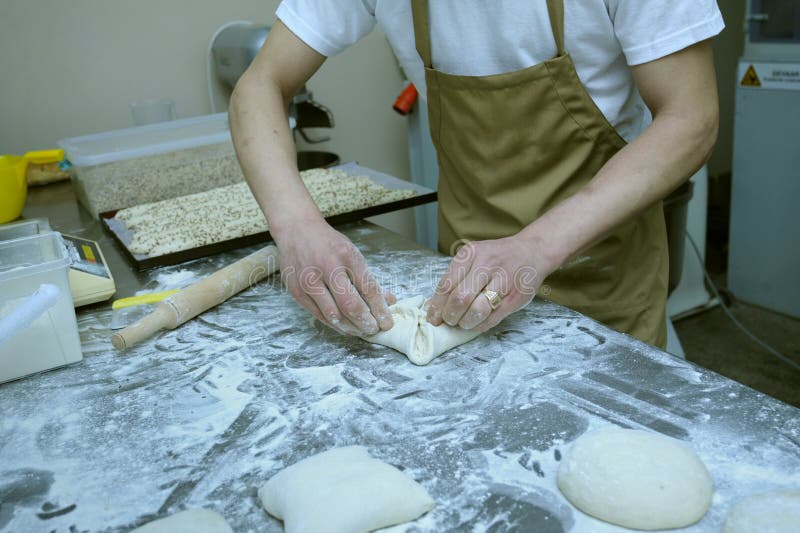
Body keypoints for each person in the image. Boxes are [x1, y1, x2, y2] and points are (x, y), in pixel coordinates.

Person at [229, 0, 723, 349]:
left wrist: (534, 247)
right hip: (464, 297)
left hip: (604, 280)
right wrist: (297, 227)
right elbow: (261, 84)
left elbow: (691, 118)